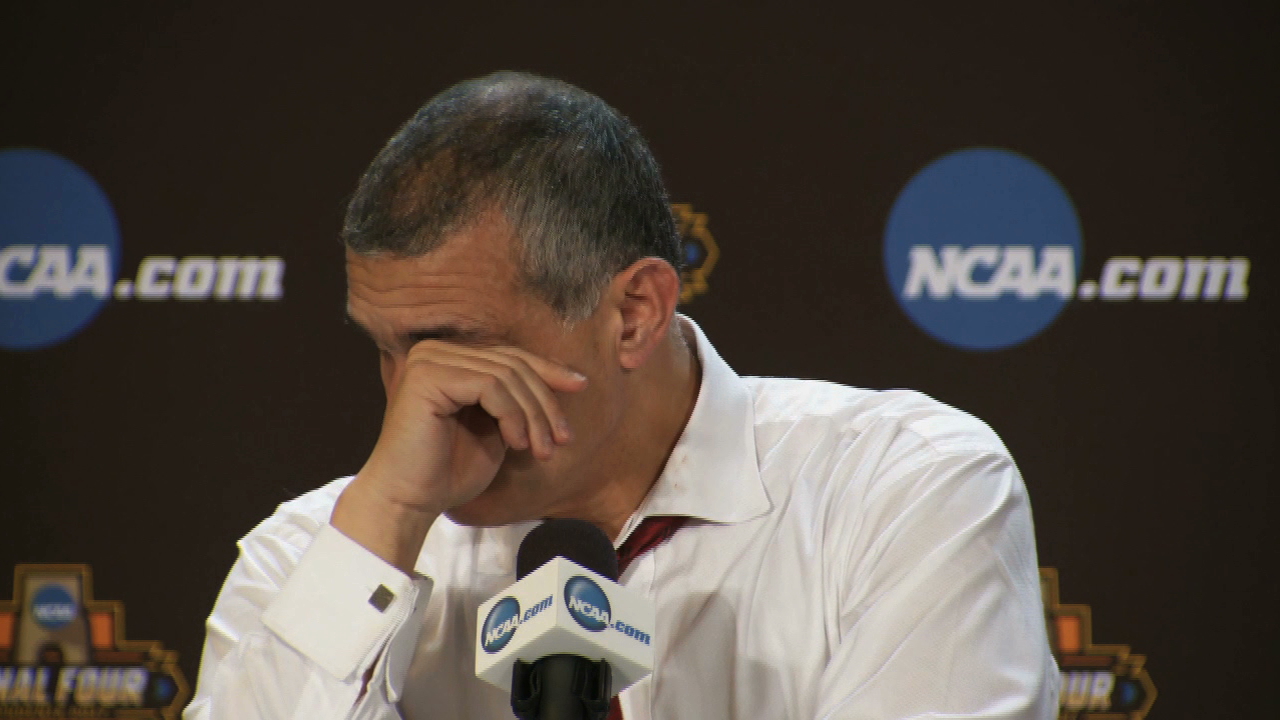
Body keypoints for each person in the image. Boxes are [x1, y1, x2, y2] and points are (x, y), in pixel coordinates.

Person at [185, 71, 1059, 719]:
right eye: (388, 354)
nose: (420, 403)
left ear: (635, 313)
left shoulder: (900, 487)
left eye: (461, 355)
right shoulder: (310, 555)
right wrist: (388, 521)